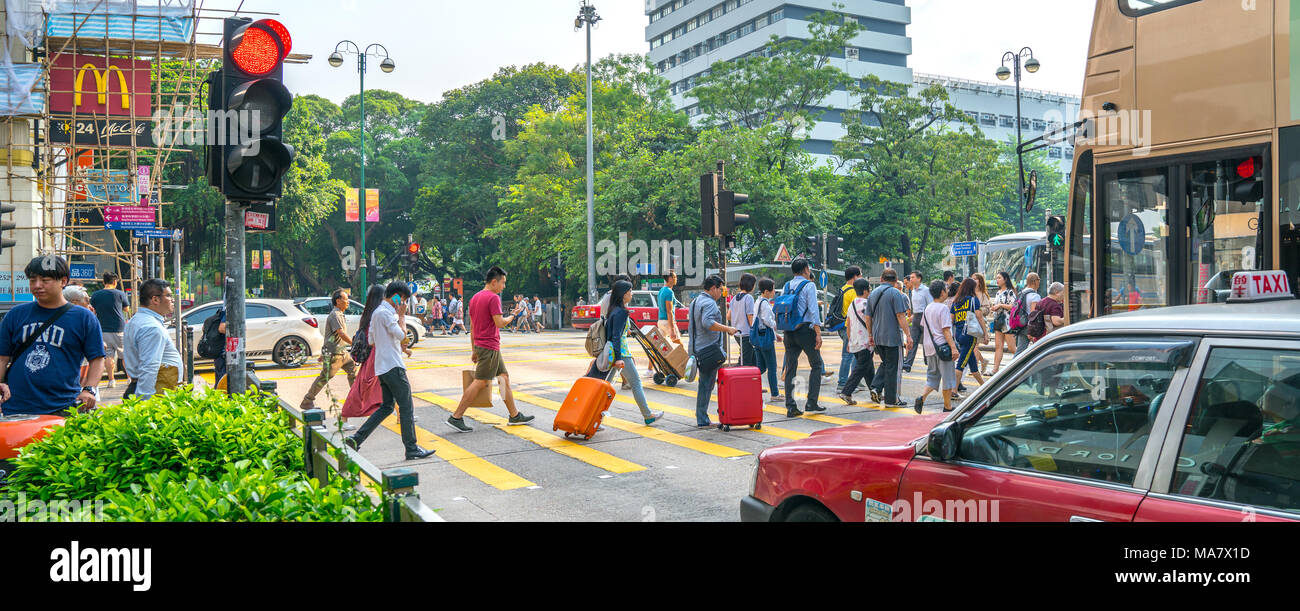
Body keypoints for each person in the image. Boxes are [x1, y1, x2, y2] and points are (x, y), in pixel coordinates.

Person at [0, 256, 105, 416]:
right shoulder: (15, 315)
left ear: (63, 281)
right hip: (16, 406)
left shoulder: (83, 317)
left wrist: (89, 389)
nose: (37, 285)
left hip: (63, 407)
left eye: (45, 280)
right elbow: (2, 358)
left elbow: (97, 358)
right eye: (33, 280)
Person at [345, 282, 437, 460]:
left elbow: (372, 340)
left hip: (382, 367)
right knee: (406, 406)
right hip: (393, 366)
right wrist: (401, 317)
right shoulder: (387, 313)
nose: (402, 303)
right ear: (396, 296)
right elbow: (403, 336)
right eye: (402, 299)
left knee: (386, 407)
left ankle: (356, 439)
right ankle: (411, 448)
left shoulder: (376, 313)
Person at [447, 266, 536, 432]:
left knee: (504, 377)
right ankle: (456, 417)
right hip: (489, 346)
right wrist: (513, 316)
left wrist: (473, 349)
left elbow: (472, 326)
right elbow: (500, 323)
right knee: (480, 382)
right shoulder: (493, 298)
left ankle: (514, 415)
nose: (504, 287)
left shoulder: (474, 298)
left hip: (482, 345)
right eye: (502, 283)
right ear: (494, 282)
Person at [584, 280, 663, 425]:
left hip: (612, 353)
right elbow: (616, 336)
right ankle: (647, 415)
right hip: (621, 354)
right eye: (630, 291)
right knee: (636, 383)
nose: (631, 294)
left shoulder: (613, 309)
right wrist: (619, 358)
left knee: (603, 388)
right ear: (624, 294)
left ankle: (591, 420)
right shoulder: (621, 312)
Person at [689, 275, 740, 427]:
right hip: (708, 350)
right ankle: (703, 419)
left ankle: (703, 416)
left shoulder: (696, 301)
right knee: (706, 384)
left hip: (697, 347)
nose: (721, 293)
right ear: (713, 288)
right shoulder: (710, 303)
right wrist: (728, 329)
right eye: (720, 289)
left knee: (705, 384)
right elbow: (707, 323)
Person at [122, 279, 183, 400]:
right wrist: (146, 403)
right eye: (168, 295)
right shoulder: (151, 327)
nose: (172, 299)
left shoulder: (138, 320)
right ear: (155, 299)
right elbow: (149, 367)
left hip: (147, 387)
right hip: (154, 393)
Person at [300, 288, 358, 411]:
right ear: (338, 301)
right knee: (325, 377)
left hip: (342, 352)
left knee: (353, 372)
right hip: (335, 354)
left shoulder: (340, 313)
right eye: (346, 299)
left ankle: (357, 399)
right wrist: (354, 343)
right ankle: (307, 400)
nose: (348, 302)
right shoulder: (335, 315)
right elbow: (341, 333)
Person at [861, 269, 913, 407]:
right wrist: (908, 335)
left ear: (881, 279)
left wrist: (870, 334)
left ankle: (876, 387)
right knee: (893, 368)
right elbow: (901, 316)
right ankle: (892, 399)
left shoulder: (873, 293)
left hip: (878, 337)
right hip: (892, 337)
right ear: (896, 280)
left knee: (887, 364)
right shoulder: (896, 293)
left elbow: (868, 317)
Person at [780, 259, 825, 417]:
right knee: (817, 364)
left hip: (789, 331)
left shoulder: (786, 286)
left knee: (791, 367)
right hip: (805, 330)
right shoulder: (809, 285)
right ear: (806, 269)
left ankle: (791, 406)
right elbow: (813, 310)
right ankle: (811, 402)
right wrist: (818, 332)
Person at [915, 281, 959, 414]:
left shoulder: (928, 308)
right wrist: (953, 348)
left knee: (932, 377)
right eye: (946, 289)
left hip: (930, 348)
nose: (947, 291)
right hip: (943, 348)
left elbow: (924, 327)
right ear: (941, 292)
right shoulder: (943, 308)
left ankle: (922, 397)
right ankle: (947, 407)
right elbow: (946, 330)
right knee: (948, 378)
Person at [89, 272, 129, 389]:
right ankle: (129, 378)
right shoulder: (120, 294)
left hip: (102, 329)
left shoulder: (96, 295)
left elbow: (93, 312)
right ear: (115, 282)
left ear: (103, 282)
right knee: (125, 355)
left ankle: (111, 381)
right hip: (119, 328)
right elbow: (126, 309)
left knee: (108, 356)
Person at [837, 278, 873, 405]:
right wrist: (871, 336)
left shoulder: (852, 304)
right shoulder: (866, 304)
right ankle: (846, 392)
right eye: (869, 288)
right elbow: (869, 321)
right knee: (861, 368)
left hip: (855, 341)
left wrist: (850, 341)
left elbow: (848, 324)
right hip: (865, 342)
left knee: (868, 368)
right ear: (865, 290)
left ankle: (875, 392)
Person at [950, 278, 988, 394]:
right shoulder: (973, 300)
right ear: (972, 288)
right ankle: (954, 391)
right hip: (969, 335)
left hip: (959, 335)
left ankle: (984, 387)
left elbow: (951, 320)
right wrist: (985, 333)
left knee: (972, 363)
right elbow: (979, 317)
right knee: (961, 363)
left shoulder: (956, 302)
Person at [752, 277, 781, 403]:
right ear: (766, 291)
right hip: (765, 338)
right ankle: (775, 394)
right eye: (773, 289)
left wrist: (775, 334)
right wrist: (774, 323)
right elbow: (766, 320)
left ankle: (751, 386)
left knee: (761, 367)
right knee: (772, 367)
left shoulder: (757, 301)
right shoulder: (764, 303)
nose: (774, 292)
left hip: (758, 338)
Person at [834, 266, 863, 393]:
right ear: (855, 276)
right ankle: (842, 383)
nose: (861, 278)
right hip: (849, 327)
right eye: (860, 275)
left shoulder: (842, 289)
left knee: (854, 355)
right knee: (848, 355)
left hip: (841, 326)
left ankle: (855, 381)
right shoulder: (853, 292)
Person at [988, 271, 1018, 376]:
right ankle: (995, 369)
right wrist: (994, 308)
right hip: (998, 321)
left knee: (1011, 347)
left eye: (999, 278)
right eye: (996, 278)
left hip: (1008, 322)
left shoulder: (1010, 291)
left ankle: (1022, 365)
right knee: (998, 346)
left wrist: (1000, 305)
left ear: (1005, 279)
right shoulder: (998, 292)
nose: (997, 280)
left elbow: (1014, 306)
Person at [902, 271, 930, 373]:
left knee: (926, 341)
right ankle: (908, 364)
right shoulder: (913, 291)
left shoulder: (926, 290)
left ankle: (928, 361)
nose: (911, 279)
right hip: (916, 317)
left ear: (919, 279)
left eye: (913, 277)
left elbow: (930, 304)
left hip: (925, 316)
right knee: (912, 340)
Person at [1013, 273, 1043, 357]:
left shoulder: (1021, 293)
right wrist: (1031, 331)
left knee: (1020, 351)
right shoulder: (1034, 296)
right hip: (1030, 327)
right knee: (1040, 350)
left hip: (1021, 325)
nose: (1039, 282)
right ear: (1035, 281)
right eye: (1039, 280)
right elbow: (1033, 314)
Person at [730, 273, 757, 367]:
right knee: (745, 362)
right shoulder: (748, 298)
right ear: (751, 285)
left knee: (754, 360)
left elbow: (729, 316)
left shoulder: (734, 298)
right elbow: (750, 317)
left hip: (737, 333)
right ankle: (738, 379)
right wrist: (755, 331)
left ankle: (753, 378)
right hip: (746, 334)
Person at [971, 273, 992, 375]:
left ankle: (974, 368)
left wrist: (978, 310)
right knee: (972, 346)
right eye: (972, 279)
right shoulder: (969, 293)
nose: (974, 281)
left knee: (974, 346)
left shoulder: (983, 295)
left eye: (976, 279)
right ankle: (983, 361)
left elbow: (987, 310)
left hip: (979, 323)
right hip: (970, 322)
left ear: (980, 281)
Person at [657, 270, 682, 345]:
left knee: (664, 348)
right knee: (680, 346)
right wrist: (672, 329)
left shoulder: (661, 290)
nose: (676, 279)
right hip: (667, 322)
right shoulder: (669, 292)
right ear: (670, 278)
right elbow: (669, 311)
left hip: (660, 321)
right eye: (674, 277)